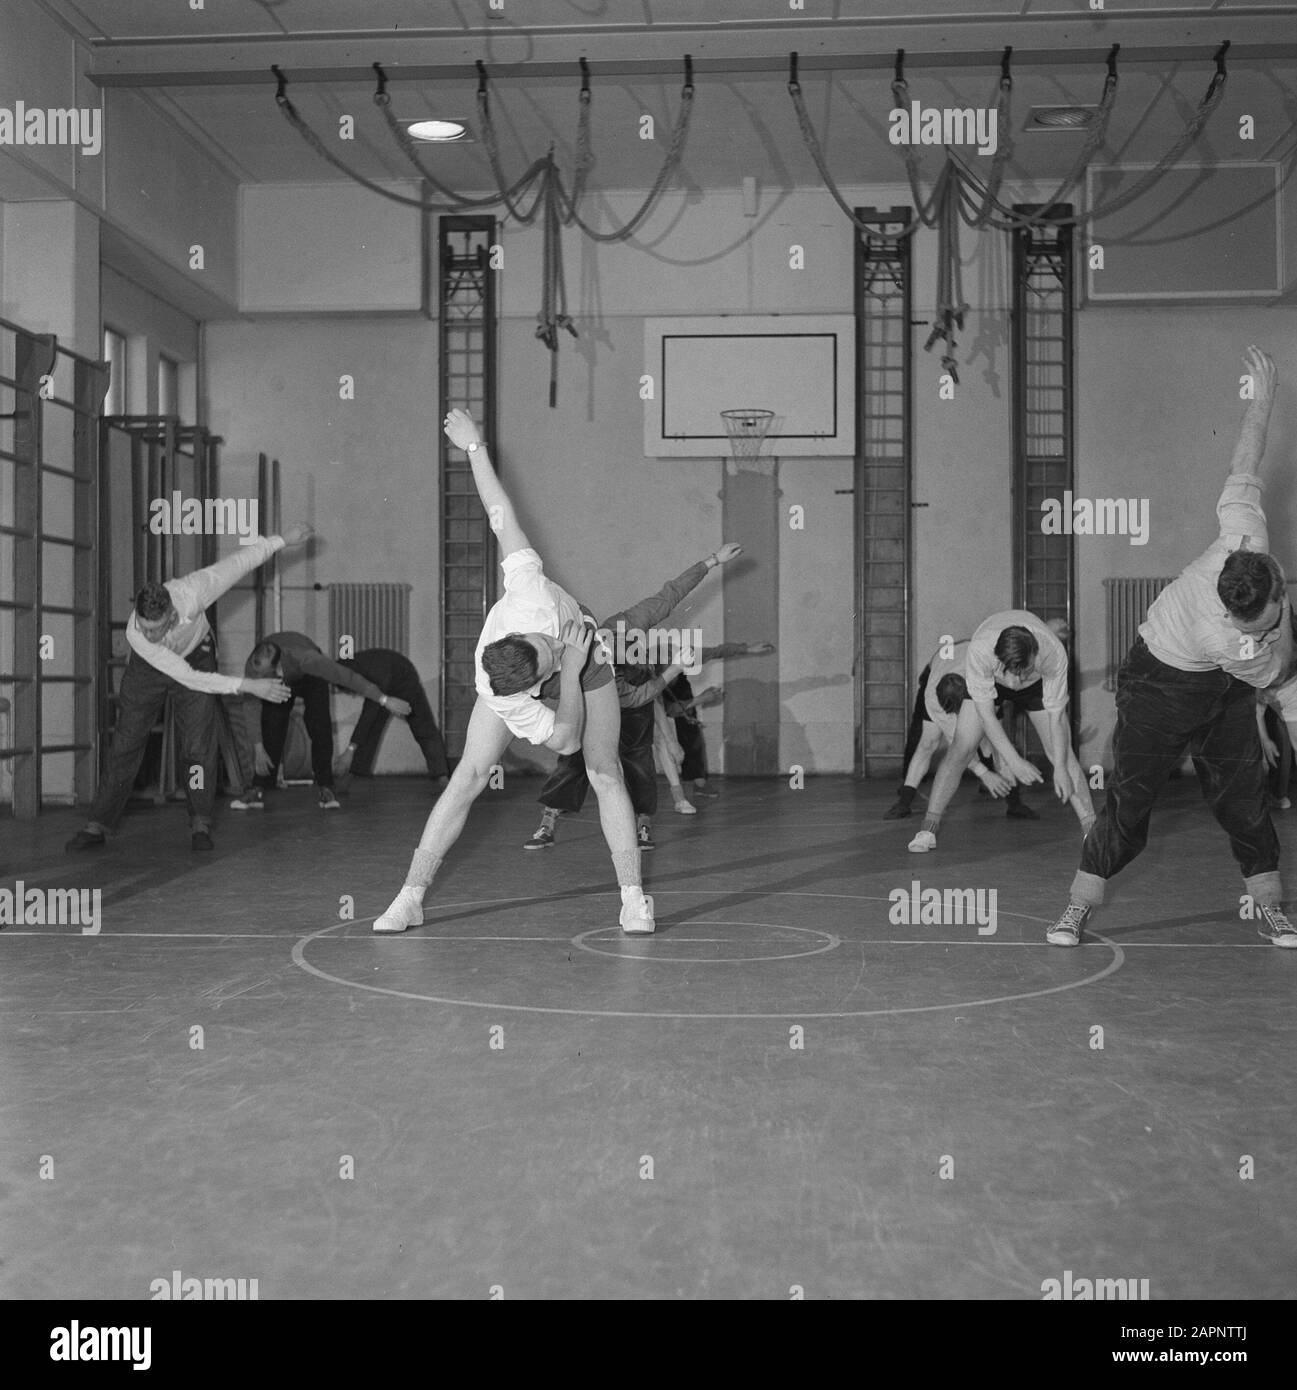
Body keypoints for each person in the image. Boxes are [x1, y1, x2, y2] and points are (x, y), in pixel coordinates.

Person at [1046, 346, 1296, 948]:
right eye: (1260, 625)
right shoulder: (1231, 639)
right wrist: (1278, 638)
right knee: (1130, 807)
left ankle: (1269, 905)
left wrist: (1262, 399)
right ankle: (1077, 906)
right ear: (1240, 620)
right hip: (1160, 683)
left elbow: (1245, 460)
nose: (1269, 624)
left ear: (1264, 570)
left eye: (1274, 611)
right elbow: (1280, 674)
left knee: (1243, 800)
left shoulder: (1245, 531)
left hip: (1222, 687)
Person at [373, 408, 655, 935]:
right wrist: (562, 673)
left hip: (587, 657)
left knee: (604, 772)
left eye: (541, 645)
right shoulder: (504, 696)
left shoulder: (527, 596)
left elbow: (499, 512)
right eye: (545, 656)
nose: (550, 643)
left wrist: (474, 448)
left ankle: (633, 899)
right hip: (572, 674)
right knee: (468, 777)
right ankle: (410, 898)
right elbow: (563, 740)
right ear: (528, 689)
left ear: (518, 634)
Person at [65, 526, 311, 853]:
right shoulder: (139, 638)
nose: (149, 633)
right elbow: (189, 678)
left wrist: (283, 540)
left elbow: (240, 562)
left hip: (197, 651)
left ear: (171, 614)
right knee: (126, 740)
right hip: (149, 668)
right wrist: (249, 685)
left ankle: (200, 820)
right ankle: (98, 822)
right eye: (144, 627)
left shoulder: (194, 592)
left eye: (156, 628)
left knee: (197, 744)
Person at [523, 545, 743, 852]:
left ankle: (642, 824)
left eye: (641, 640)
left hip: (635, 705)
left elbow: (669, 595)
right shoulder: (595, 670)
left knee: (639, 759)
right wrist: (676, 668)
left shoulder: (623, 624)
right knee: (572, 762)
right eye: (635, 648)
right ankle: (547, 823)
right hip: (599, 702)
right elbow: (639, 693)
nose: (642, 645)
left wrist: (712, 561)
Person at [906, 611, 1094, 853]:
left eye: (1023, 671)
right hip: (992, 680)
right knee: (961, 747)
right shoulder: (980, 651)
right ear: (999, 657)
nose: (1017, 681)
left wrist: (1059, 767)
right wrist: (1014, 762)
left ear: (1034, 654)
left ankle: (1092, 831)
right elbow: (987, 717)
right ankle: (927, 830)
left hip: (1037, 685)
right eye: (1011, 672)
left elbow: (1057, 719)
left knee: (1064, 755)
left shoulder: (1054, 656)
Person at [234, 633, 417, 810]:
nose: (256, 681)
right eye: (256, 677)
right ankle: (257, 788)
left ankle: (326, 787)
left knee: (319, 724)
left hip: (309, 676)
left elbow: (347, 677)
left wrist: (384, 699)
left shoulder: (309, 660)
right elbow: (251, 707)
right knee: (272, 724)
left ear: (278, 670)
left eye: (263, 678)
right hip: (280, 678)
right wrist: (258, 747)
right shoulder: (254, 668)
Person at [885, 638, 1016, 819]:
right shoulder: (932, 699)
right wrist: (984, 773)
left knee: (993, 739)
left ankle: (1014, 803)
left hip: (975, 667)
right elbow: (958, 745)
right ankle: (904, 802)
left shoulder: (985, 681)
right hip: (939, 670)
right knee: (927, 742)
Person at [662, 641, 775, 798]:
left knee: (687, 716)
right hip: (648, 690)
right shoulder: (649, 672)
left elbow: (717, 651)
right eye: (673, 670)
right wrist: (701, 699)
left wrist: (749, 649)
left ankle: (699, 782)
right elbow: (668, 709)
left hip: (671, 682)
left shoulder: (683, 659)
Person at [332, 648, 450, 789]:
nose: (353, 695)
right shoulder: (349, 669)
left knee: (423, 727)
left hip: (405, 679)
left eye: (350, 692)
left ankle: (442, 776)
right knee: (370, 729)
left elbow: (367, 715)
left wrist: (349, 751)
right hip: (386, 676)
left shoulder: (369, 673)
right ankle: (351, 774)